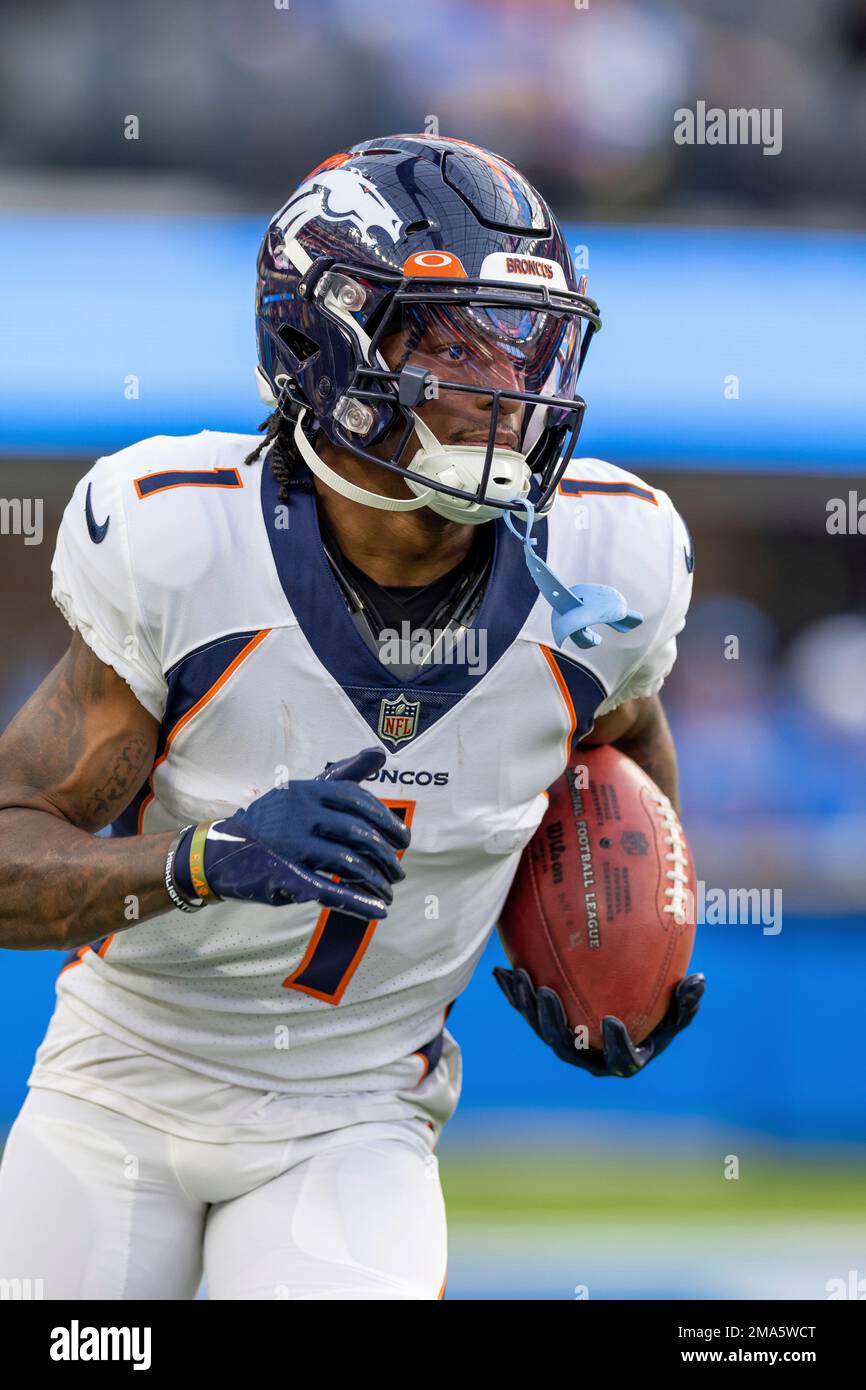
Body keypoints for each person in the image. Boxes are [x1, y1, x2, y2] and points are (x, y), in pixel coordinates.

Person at [0, 134, 702, 1300]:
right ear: (313, 339)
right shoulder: (184, 543)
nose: (502, 385)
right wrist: (200, 862)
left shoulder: (608, 562)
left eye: (522, 340)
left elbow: (619, 743)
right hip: (119, 1081)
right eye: (449, 339)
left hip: (357, 1108)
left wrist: (613, 935)